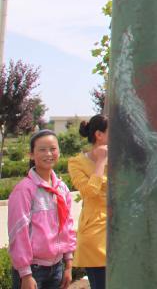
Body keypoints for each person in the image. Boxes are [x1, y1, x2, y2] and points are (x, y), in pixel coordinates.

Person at [7, 130, 76, 289]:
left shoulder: (62, 188)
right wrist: (25, 274)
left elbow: (67, 226)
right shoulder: (24, 190)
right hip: (33, 271)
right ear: (31, 154)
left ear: (59, 152)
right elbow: (18, 233)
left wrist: (68, 264)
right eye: (42, 149)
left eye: (53, 149)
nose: (49, 154)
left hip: (57, 267)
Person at [68, 114, 109, 289]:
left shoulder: (121, 158)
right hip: (96, 235)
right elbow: (90, 192)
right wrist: (101, 161)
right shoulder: (76, 163)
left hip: (122, 232)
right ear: (99, 135)